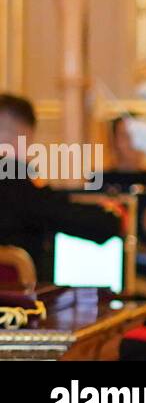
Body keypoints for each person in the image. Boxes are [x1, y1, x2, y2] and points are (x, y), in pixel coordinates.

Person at [0, 93, 122, 282]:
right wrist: (113, 217)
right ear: (24, 135)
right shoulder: (14, 180)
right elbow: (69, 216)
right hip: (16, 307)